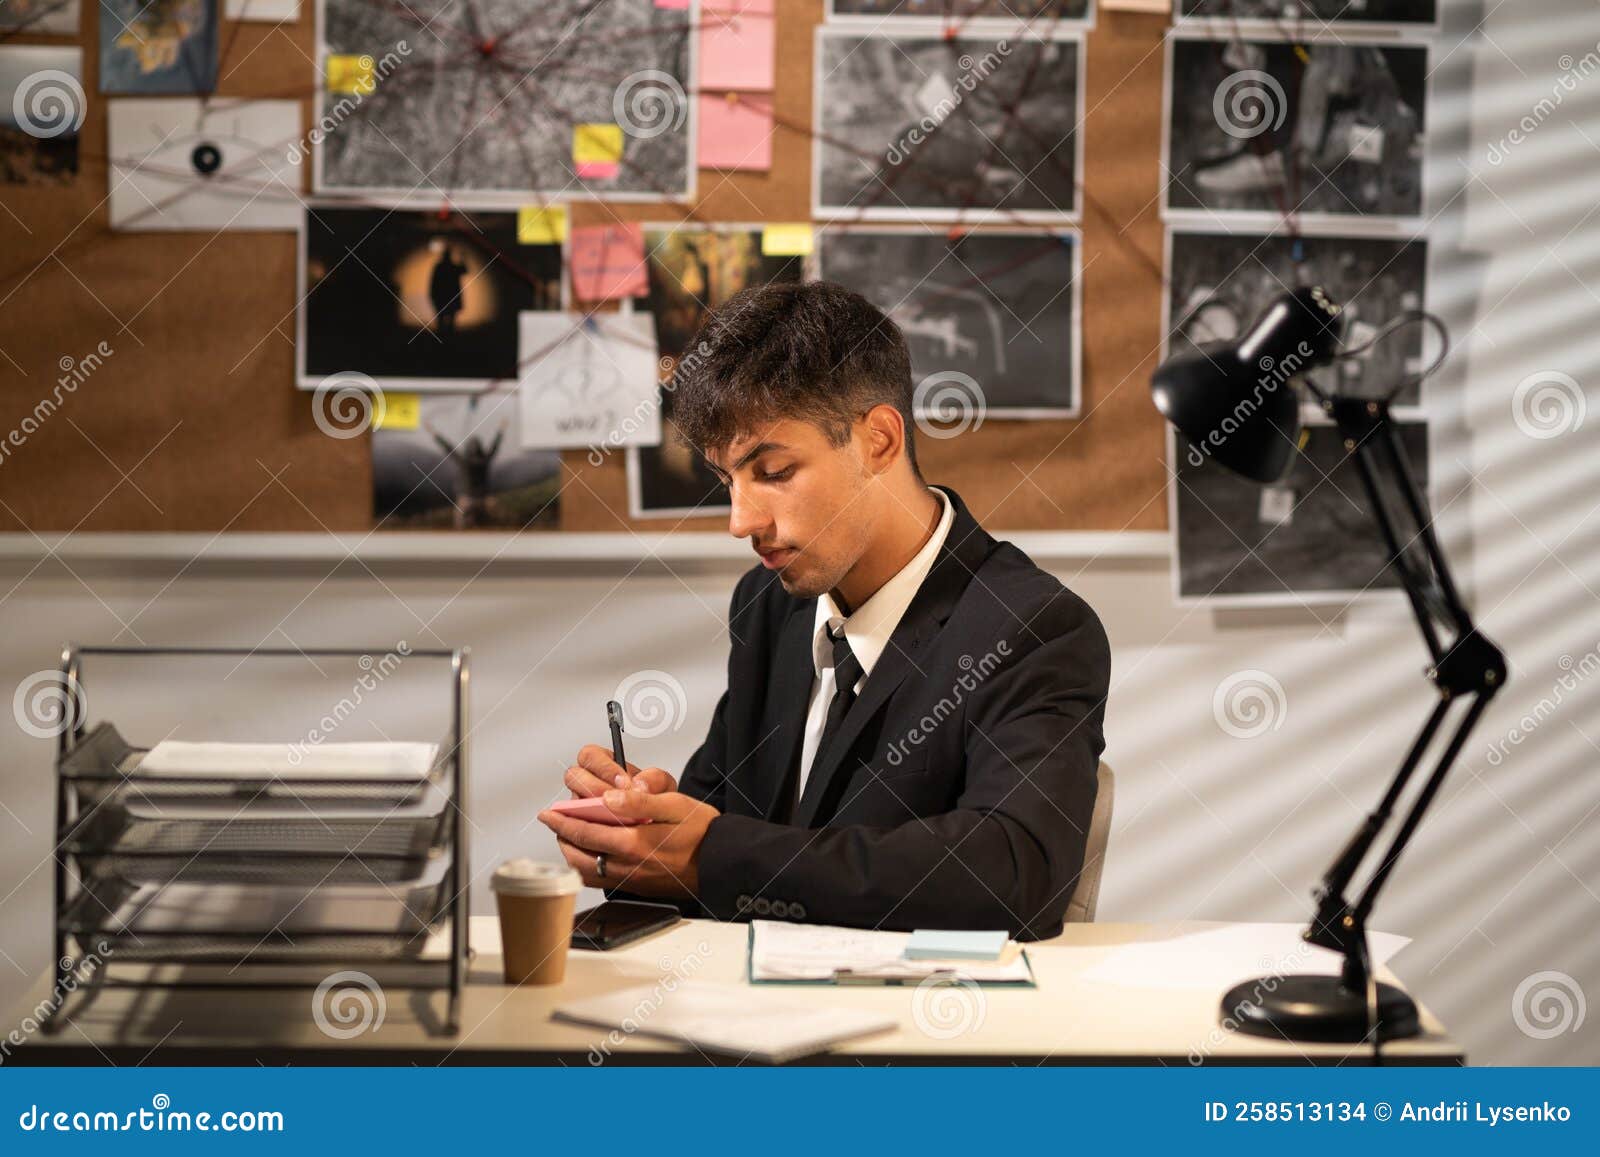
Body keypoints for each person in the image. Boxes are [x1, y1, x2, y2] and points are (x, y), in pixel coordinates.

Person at [537, 281, 1111, 939]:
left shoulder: (1032, 628)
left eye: (774, 471)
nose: (739, 520)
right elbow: (723, 813)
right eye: (728, 480)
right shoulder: (767, 605)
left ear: (880, 440)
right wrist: (648, 822)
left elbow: (1015, 872)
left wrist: (710, 850)